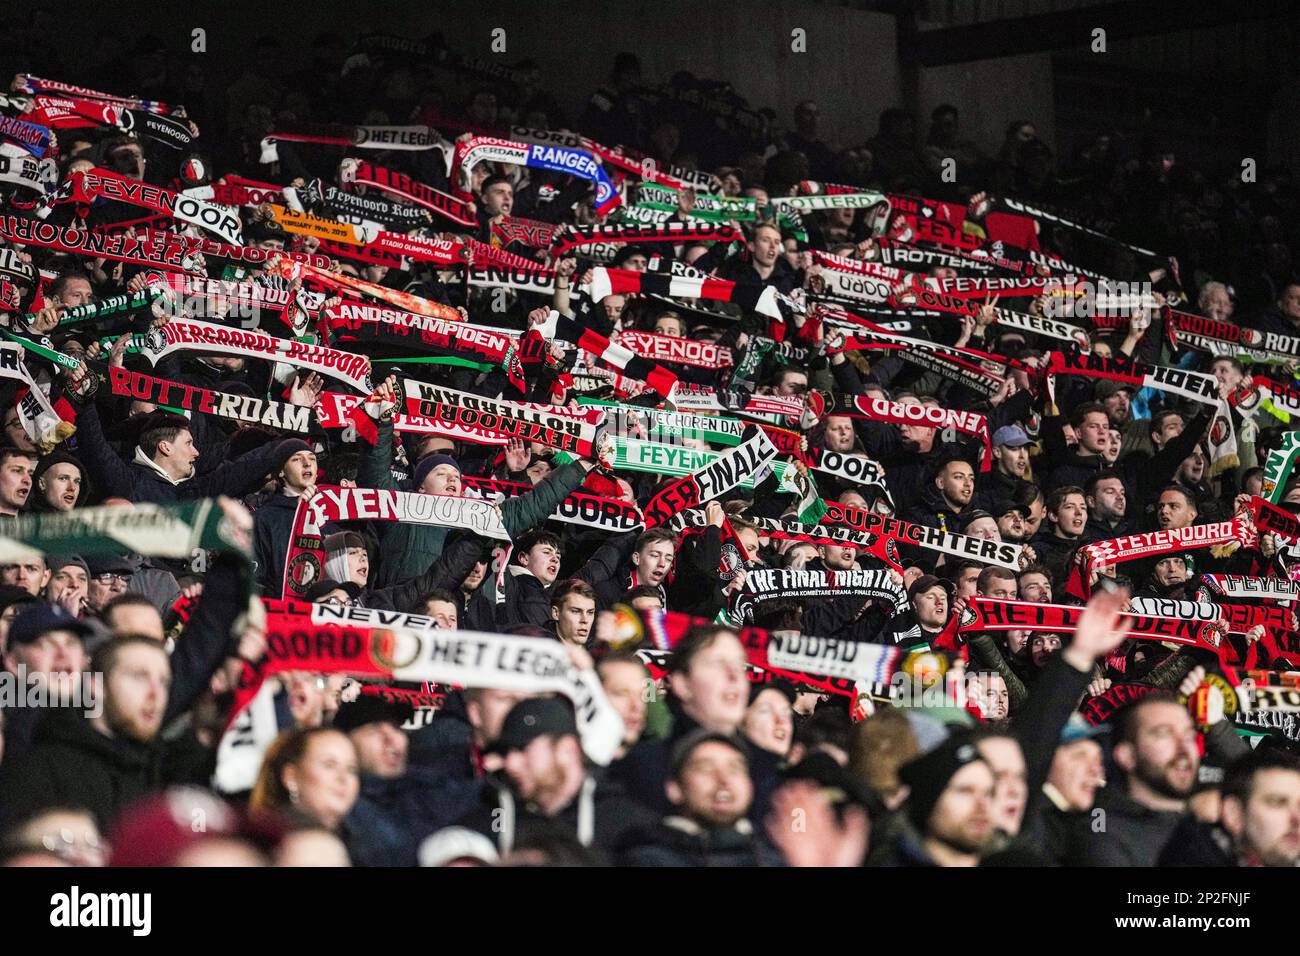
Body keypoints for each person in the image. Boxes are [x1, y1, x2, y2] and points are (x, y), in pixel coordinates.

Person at [618, 730, 785, 866]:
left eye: (734, 768)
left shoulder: (780, 855)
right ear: (675, 789)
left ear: (750, 786)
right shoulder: (647, 859)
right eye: (705, 768)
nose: (723, 779)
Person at [249, 727, 360, 834]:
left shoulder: (364, 841)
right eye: (329, 765)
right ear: (291, 776)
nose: (343, 778)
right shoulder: (271, 842)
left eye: (351, 769)